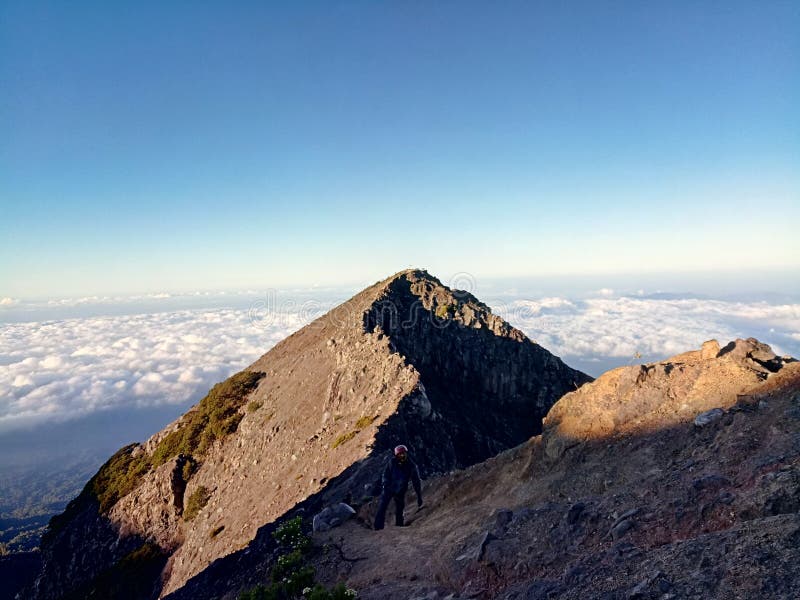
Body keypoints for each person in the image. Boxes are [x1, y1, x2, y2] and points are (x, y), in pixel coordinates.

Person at [374, 445, 423, 530]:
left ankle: (399, 526)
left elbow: (416, 481)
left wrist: (419, 496)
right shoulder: (392, 462)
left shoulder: (411, 465)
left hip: (401, 489)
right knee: (382, 506)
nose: (402, 456)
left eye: (404, 453)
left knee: (400, 508)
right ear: (396, 455)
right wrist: (385, 484)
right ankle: (378, 527)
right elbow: (385, 474)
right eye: (400, 454)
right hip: (389, 488)